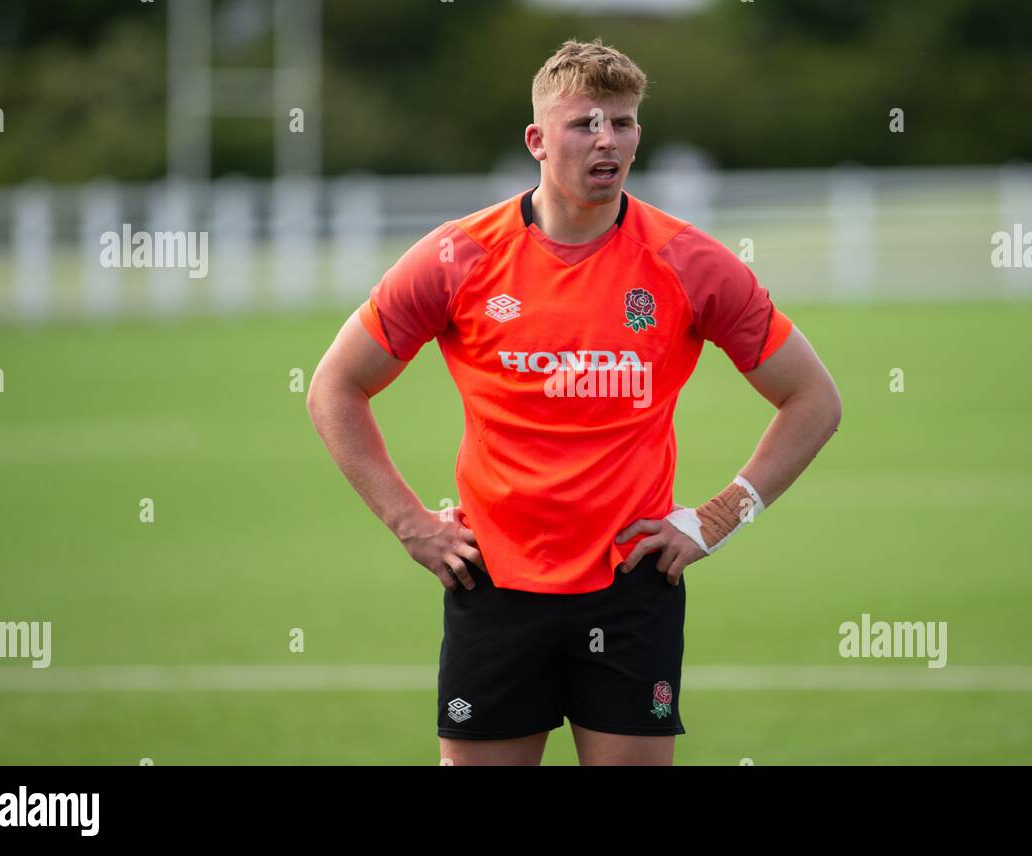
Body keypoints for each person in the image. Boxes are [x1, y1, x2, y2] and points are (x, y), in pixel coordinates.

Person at [307, 38, 842, 765]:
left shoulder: (689, 262)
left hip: (630, 588)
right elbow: (336, 386)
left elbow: (813, 398)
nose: (606, 140)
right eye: (584, 122)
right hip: (492, 581)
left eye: (621, 124)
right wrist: (408, 522)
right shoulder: (457, 258)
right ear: (537, 139)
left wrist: (717, 518)